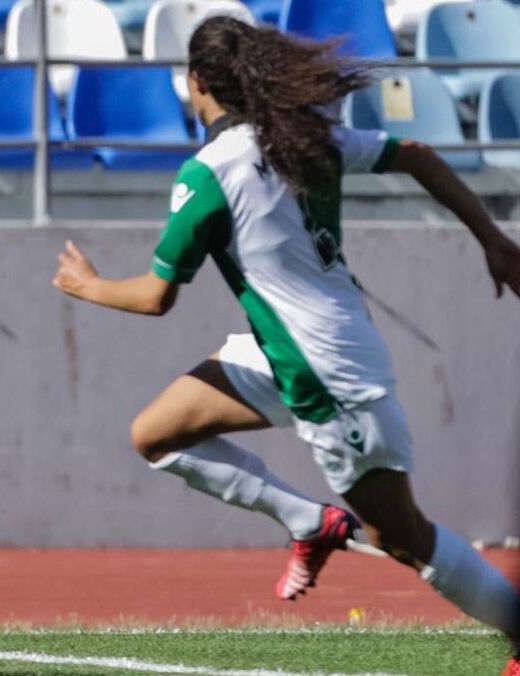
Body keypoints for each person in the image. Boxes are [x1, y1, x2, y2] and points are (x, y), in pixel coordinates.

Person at [52, 17, 520, 675]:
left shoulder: (207, 174)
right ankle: (309, 520)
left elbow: (156, 297)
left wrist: (88, 285)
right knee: (155, 435)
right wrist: (492, 239)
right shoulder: (306, 137)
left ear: (195, 85)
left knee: (403, 537)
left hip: (326, 374)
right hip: (284, 352)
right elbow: (414, 152)